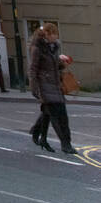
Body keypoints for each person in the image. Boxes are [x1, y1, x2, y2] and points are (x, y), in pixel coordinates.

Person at [29, 22, 77, 154]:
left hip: (55, 85)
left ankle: (38, 134)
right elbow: (33, 69)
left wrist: (62, 64)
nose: (56, 37)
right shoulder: (37, 48)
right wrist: (34, 88)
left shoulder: (54, 47)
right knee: (57, 117)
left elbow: (54, 66)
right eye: (54, 34)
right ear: (48, 34)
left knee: (53, 113)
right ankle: (65, 144)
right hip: (44, 86)